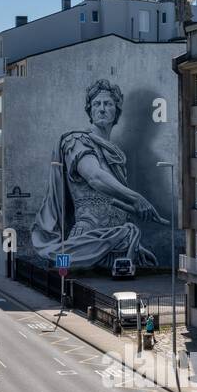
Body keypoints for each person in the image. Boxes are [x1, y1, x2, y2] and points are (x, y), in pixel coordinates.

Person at [31, 79, 167, 268]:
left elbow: (115, 204)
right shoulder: (76, 140)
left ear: (116, 111)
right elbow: (95, 177)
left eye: (108, 104)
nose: (102, 109)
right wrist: (137, 198)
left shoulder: (117, 154)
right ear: (90, 110)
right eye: (97, 104)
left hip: (120, 243)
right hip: (87, 242)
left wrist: (135, 243)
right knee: (84, 292)